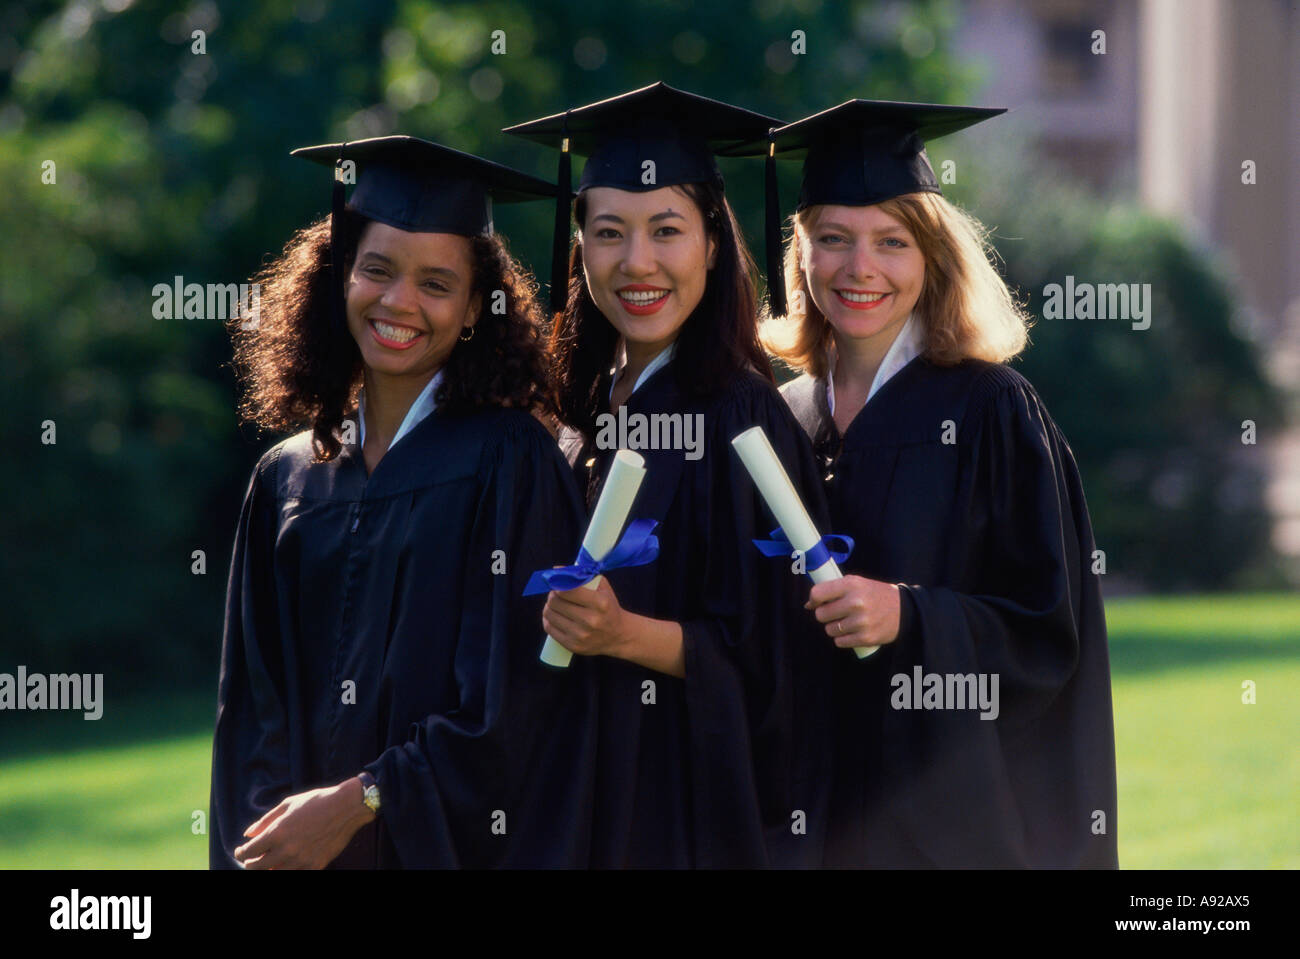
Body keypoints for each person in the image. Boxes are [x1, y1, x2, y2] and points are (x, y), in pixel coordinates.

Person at [209, 135, 596, 869]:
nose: (399, 302)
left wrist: (364, 799)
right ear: (339, 277)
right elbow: (252, 721)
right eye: (377, 270)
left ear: (477, 307)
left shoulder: (510, 461)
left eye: (437, 283)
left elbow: (520, 706)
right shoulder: (286, 480)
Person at [755, 100, 1119, 867]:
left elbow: (1051, 632)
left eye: (892, 241)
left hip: (949, 830)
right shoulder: (781, 421)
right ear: (801, 255)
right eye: (833, 240)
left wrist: (909, 616)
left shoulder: (990, 410)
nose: (861, 268)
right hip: (809, 822)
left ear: (932, 258)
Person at [504, 83, 835, 868]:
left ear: (713, 243)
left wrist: (625, 635)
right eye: (609, 231)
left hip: (682, 811)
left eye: (667, 230)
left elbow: (786, 657)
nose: (637, 262)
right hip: (564, 798)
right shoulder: (568, 409)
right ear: (577, 244)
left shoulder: (742, 416)